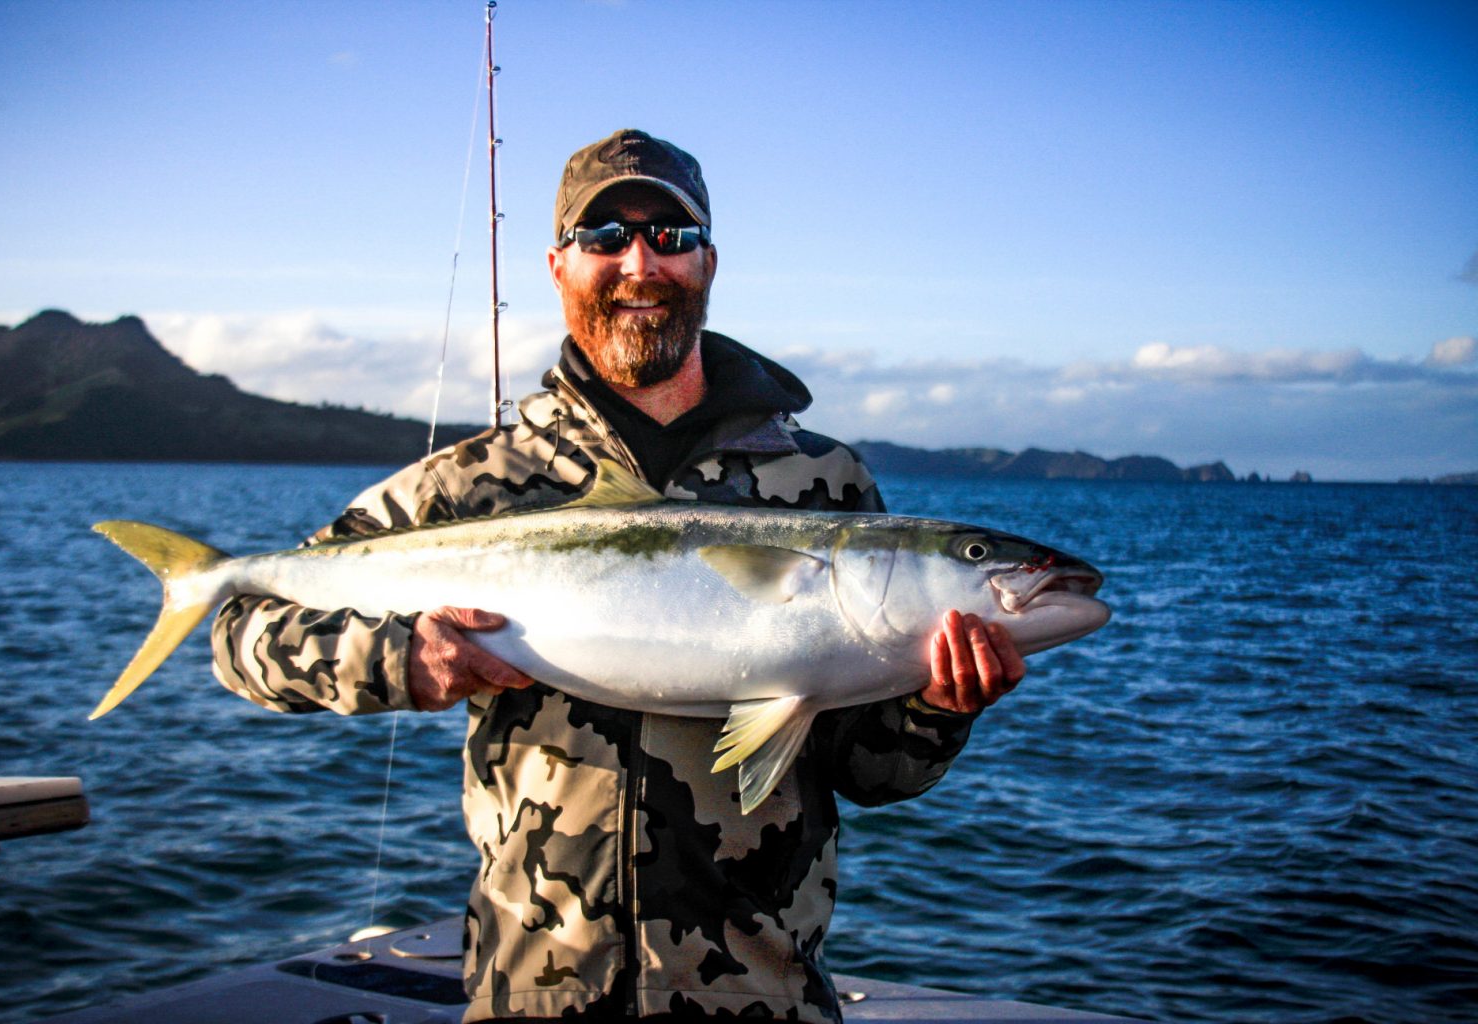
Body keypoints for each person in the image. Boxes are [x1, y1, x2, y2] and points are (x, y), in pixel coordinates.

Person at [212, 128, 1026, 1022]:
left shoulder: (823, 488)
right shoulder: (472, 486)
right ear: (558, 266)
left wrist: (937, 709)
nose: (639, 264)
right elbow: (242, 630)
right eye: (605, 238)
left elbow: (872, 773)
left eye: (669, 238)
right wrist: (403, 656)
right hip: (531, 1000)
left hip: (760, 1003)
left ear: (708, 263)